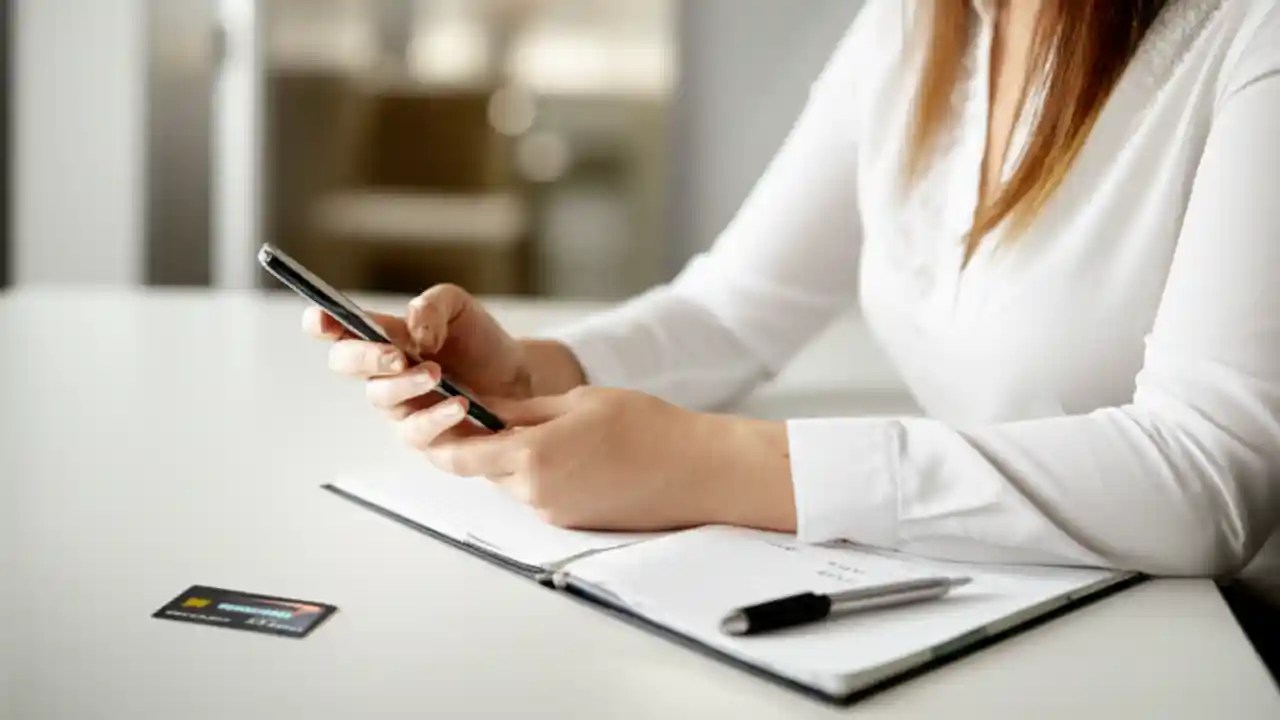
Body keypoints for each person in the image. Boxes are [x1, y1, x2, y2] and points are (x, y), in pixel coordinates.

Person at [305, 0, 1279, 666]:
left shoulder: (1247, 37)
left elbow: (1206, 475)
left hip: (1207, 646)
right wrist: (530, 372)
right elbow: (734, 305)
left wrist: (705, 463)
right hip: (1013, 602)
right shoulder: (918, 23)